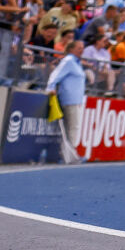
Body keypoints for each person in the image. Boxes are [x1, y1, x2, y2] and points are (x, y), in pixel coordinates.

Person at [46, 34, 88, 163]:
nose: (82, 50)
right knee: (72, 127)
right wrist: (50, 87)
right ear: (71, 49)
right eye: (79, 48)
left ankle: (69, 155)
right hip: (69, 99)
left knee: (71, 128)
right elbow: (56, 74)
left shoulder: (77, 62)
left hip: (76, 99)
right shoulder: (69, 60)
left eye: (82, 48)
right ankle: (69, 156)